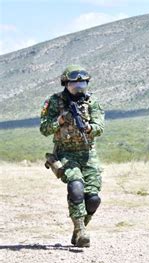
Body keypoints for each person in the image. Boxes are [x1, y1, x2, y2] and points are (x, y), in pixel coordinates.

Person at [40, 65, 105, 248]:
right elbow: (44, 129)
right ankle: (81, 230)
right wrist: (59, 120)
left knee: (93, 199)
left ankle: (78, 230)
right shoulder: (54, 102)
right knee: (76, 186)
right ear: (65, 84)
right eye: (74, 84)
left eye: (82, 84)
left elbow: (100, 126)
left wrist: (90, 128)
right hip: (65, 152)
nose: (79, 88)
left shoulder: (92, 102)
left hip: (88, 154)